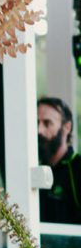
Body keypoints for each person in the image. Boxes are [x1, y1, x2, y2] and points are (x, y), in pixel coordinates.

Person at [37, 97, 81, 226]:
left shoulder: (78, 169)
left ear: (67, 127)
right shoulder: (35, 172)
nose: (39, 130)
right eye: (36, 123)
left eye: (47, 123)